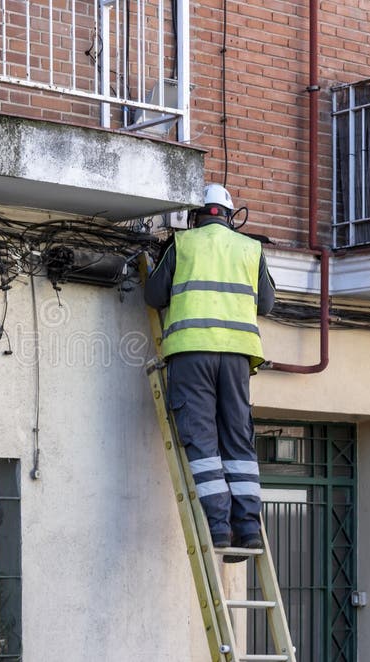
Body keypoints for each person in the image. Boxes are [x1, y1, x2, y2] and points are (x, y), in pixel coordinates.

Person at [144, 184, 275, 558]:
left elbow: (153, 296)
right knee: (237, 439)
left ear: (196, 215)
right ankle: (248, 529)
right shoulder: (251, 249)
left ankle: (218, 529)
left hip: (191, 354)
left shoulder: (183, 244)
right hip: (237, 358)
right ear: (231, 217)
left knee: (201, 441)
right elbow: (265, 303)